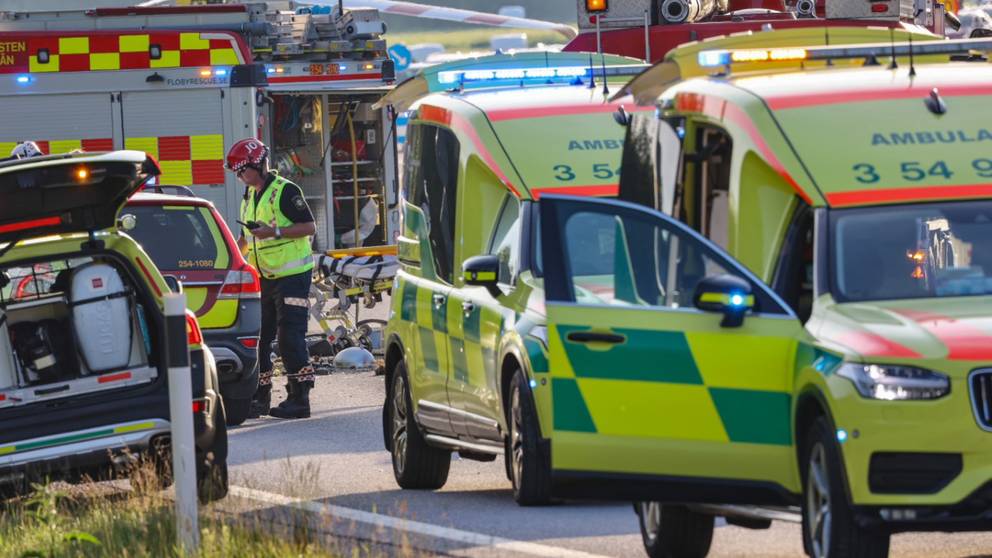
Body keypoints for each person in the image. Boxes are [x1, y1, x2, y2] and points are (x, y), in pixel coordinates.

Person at [226, 138, 317, 420]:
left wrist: (273, 233)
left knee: (289, 336)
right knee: (260, 338)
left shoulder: (286, 191)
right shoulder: (249, 195)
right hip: (263, 277)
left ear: (259, 165)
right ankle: (261, 397)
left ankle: (299, 398)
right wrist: (230, 263)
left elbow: (309, 227)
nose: (240, 176)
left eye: (243, 170)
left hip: (292, 277)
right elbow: (245, 238)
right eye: (237, 173)